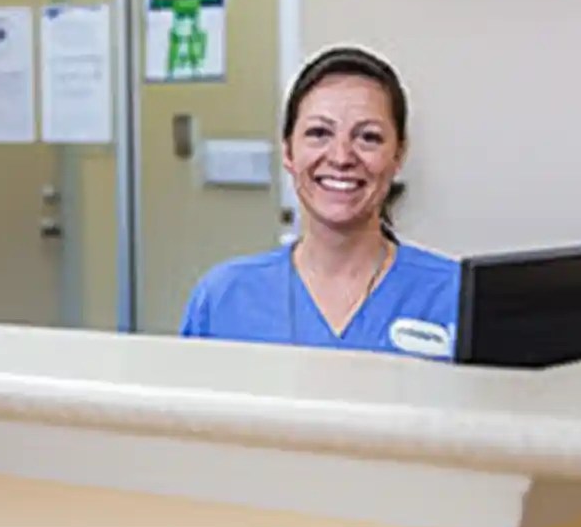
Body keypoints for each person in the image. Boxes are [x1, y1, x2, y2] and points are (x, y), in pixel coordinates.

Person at [180, 45, 459, 360]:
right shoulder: (223, 299)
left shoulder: (454, 297)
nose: (341, 157)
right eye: (318, 133)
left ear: (398, 155)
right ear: (288, 152)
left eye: (368, 137)